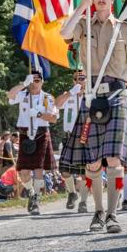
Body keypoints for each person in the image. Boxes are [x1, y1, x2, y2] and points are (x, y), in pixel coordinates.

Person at [60, 0, 127, 234]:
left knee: (114, 158)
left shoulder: (125, 29)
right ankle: (97, 211)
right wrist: (80, 7)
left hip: (118, 94)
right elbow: (64, 33)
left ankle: (112, 214)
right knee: (93, 162)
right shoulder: (83, 26)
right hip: (91, 95)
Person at [6, 70, 58, 215]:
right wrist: (24, 83)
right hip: (25, 134)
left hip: (41, 133)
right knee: (23, 172)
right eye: (32, 80)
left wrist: (40, 114)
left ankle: (36, 199)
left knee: (38, 170)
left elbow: (54, 118)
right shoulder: (22, 94)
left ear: (42, 82)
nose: (34, 83)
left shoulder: (47, 98)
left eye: (37, 80)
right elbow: (10, 95)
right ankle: (30, 191)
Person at [55, 70, 90, 212]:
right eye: (77, 78)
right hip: (69, 136)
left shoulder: (91, 96)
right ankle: (72, 193)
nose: (80, 81)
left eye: (82, 78)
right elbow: (57, 104)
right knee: (64, 171)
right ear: (73, 81)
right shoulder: (68, 94)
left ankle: (84, 201)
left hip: (86, 136)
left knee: (85, 173)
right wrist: (71, 92)